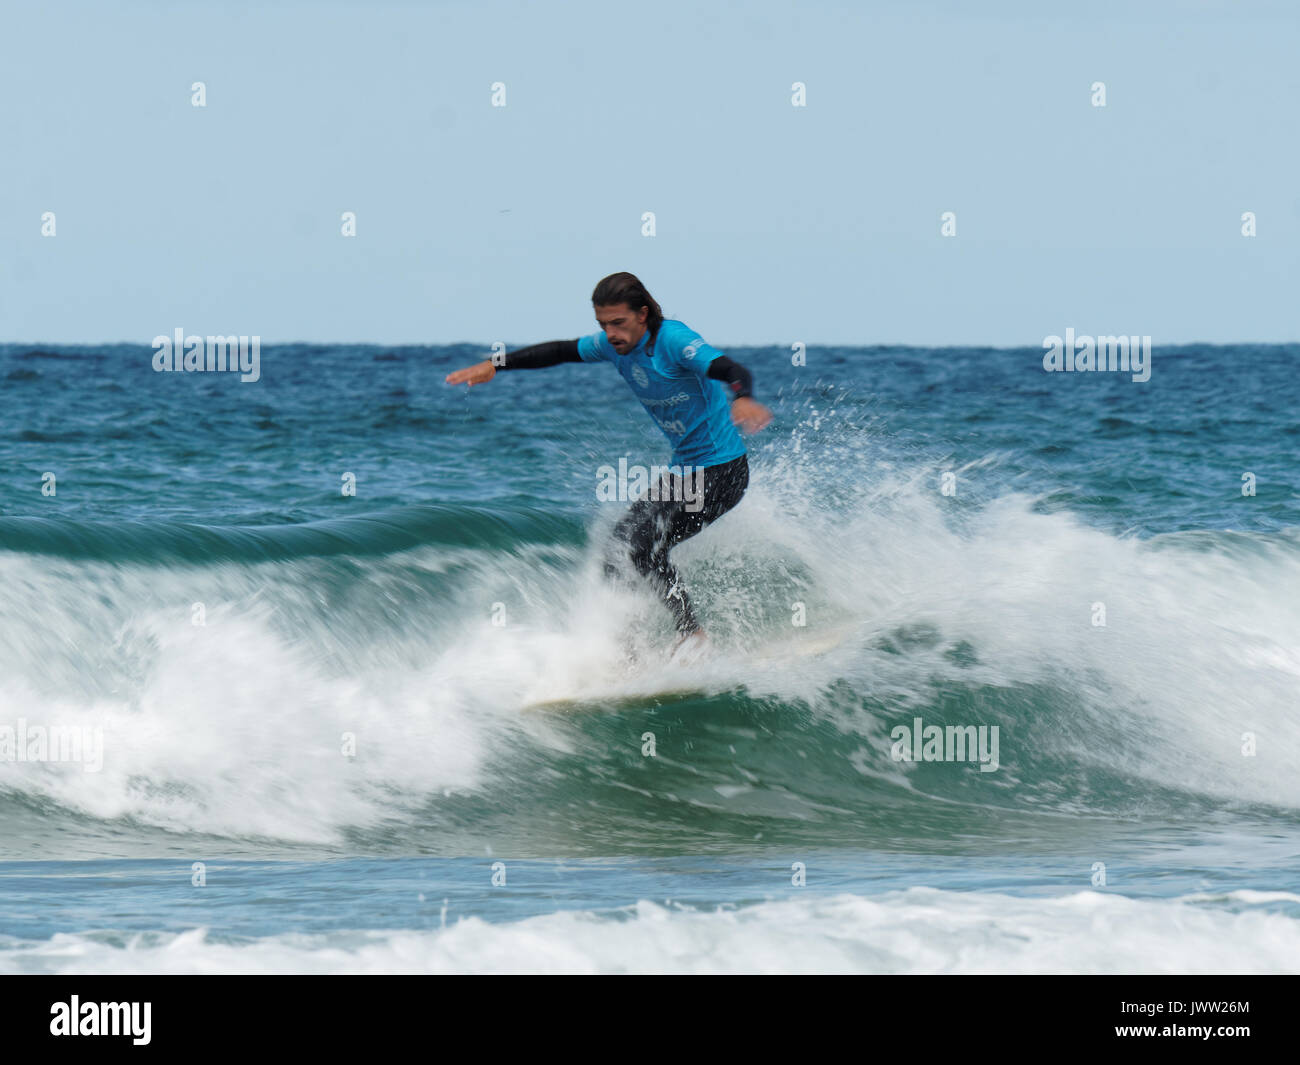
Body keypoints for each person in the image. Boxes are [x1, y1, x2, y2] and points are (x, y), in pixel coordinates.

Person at [445, 272, 772, 652]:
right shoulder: (614, 346)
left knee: (640, 546)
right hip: (686, 470)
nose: (610, 333)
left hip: (722, 472)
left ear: (643, 314)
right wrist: (495, 364)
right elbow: (560, 351)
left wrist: (743, 397)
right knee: (618, 550)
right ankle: (626, 649)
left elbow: (731, 370)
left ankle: (692, 634)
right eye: (603, 324)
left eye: (618, 323)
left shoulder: (673, 340)